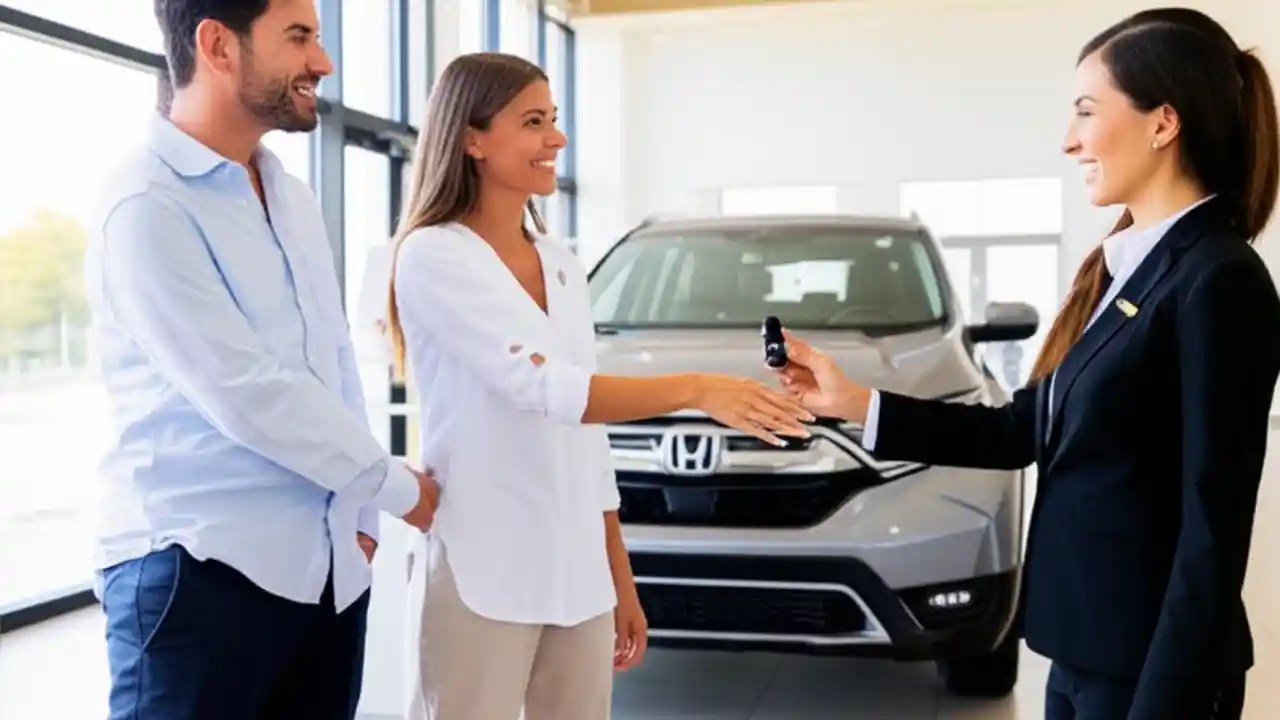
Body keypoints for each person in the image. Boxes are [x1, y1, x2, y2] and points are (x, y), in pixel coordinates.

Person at [774, 8, 1279, 720]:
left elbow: (1212, 535)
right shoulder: (1126, 271)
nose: (1069, 141)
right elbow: (1023, 429)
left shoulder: (1219, 280)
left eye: (1085, 111)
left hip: (1153, 672)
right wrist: (857, 403)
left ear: (1164, 123)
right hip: (1085, 650)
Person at [387, 52, 814, 720]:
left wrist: (618, 573)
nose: (555, 139)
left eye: (554, 120)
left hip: (576, 570)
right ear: (472, 139)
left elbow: (587, 437)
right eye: (533, 122)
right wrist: (697, 389)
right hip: (481, 565)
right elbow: (549, 389)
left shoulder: (560, 264)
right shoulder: (434, 255)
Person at [86, 1, 438, 718]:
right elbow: (244, 388)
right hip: (196, 575)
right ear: (218, 45)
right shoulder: (146, 203)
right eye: (299, 37)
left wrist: (361, 511)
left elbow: (332, 359)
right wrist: (396, 487)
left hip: (324, 576)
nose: (323, 62)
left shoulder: (290, 195)